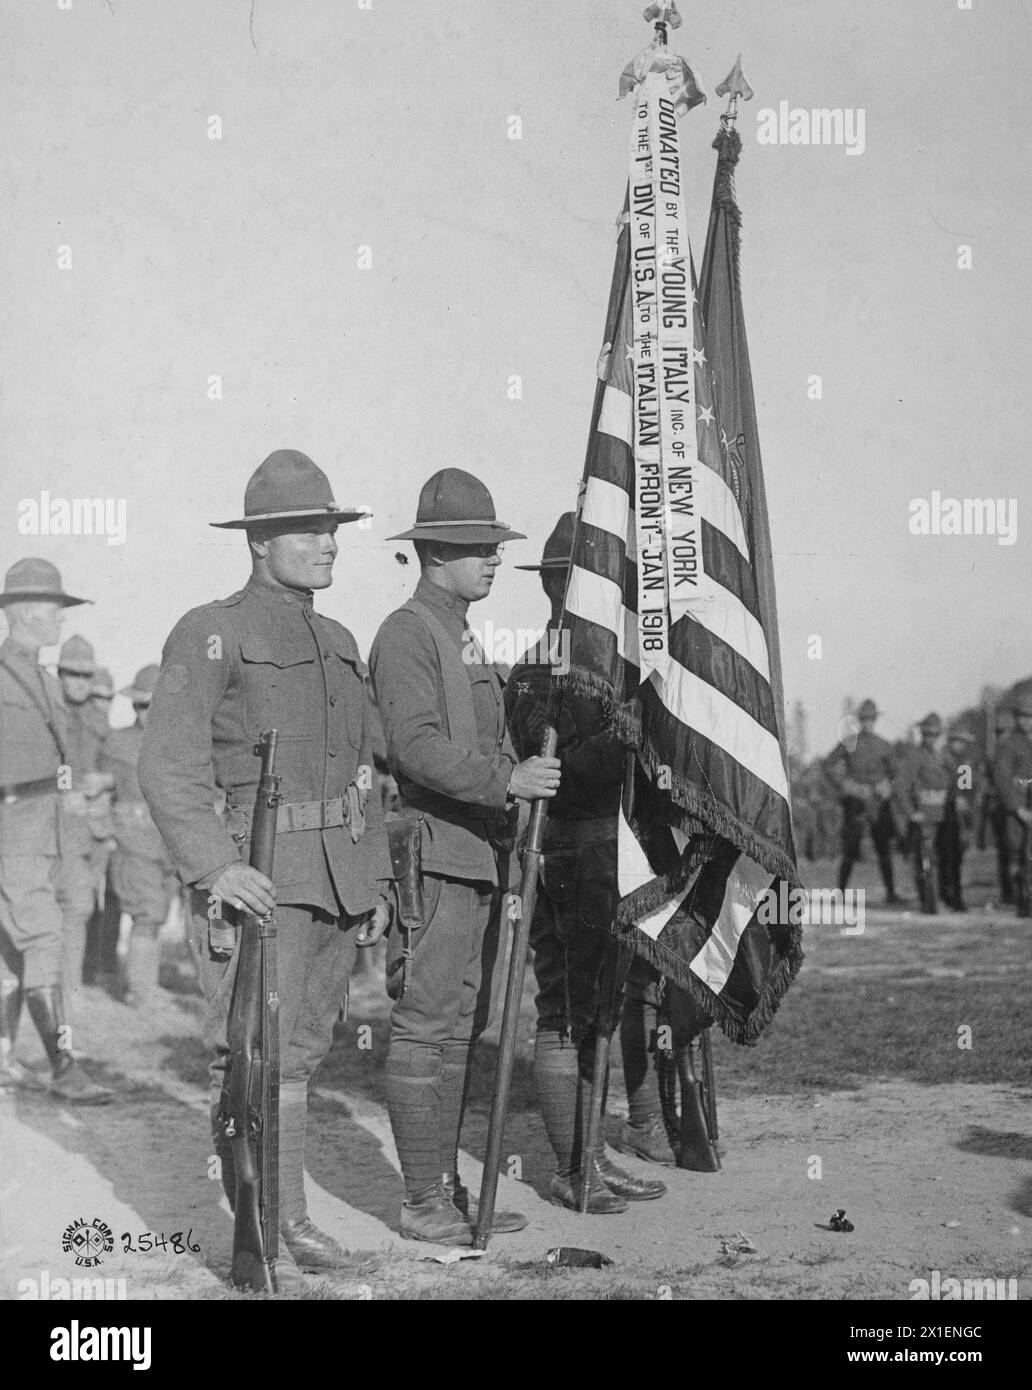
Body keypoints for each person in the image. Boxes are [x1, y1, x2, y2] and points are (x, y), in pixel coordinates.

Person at [138, 449, 391, 1285]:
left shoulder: (338, 639)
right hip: (259, 877)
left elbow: (365, 772)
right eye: (307, 529)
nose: (328, 543)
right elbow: (168, 766)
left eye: (332, 527)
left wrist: (376, 877)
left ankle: (286, 1223)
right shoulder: (211, 629)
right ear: (258, 541)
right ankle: (263, 1233)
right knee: (252, 1052)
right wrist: (215, 869)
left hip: (333, 877)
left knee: (304, 1052)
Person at [369, 467, 559, 1244]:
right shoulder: (409, 633)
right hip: (436, 855)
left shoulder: (461, 632)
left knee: (460, 1027)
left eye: (494, 547)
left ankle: (442, 1191)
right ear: (436, 551)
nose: (493, 561)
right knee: (427, 1024)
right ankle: (421, 1202)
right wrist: (504, 779)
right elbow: (413, 748)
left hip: (476, 855)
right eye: (481, 548)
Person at [506, 512, 665, 1209]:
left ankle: (593, 1155)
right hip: (573, 852)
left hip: (618, 851)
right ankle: (573, 1168)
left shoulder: (613, 668)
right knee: (567, 1012)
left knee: (604, 1009)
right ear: (562, 587)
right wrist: (627, 736)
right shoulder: (539, 668)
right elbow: (554, 775)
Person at [0, 558, 112, 1102]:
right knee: (42, 939)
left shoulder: (43, 680)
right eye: (53, 610)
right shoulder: (4, 674)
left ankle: (3, 1060)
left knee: (9, 948)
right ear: (22, 612)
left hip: (46, 825)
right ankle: (63, 1068)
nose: (59, 621)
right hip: (14, 826)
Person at [100, 666, 178, 1007]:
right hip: (133, 841)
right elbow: (97, 792)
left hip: (169, 845)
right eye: (139, 706)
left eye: (152, 705)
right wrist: (106, 831)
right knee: (146, 915)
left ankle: (147, 985)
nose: (145, 713)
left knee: (158, 914)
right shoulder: (117, 743)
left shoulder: (183, 742)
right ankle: (141, 992)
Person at [54, 635, 113, 1023]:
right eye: (72, 673)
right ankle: (64, 994)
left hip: (92, 828)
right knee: (72, 909)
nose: (78, 681)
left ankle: (68, 988)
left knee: (84, 908)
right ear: (59, 673)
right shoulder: (49, 713)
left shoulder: (97, 719)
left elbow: (116, 765)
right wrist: (67, 790)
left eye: (85, 675)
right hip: (56, 825)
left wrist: (105, 782)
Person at [824, 699, 901, 904]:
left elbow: (897, 774)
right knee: (850, 846)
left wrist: (887, 786)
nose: (868, 722)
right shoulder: (849, 742)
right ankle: (839, 893)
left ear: (875, 720)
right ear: (860, 720)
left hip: (878, 802)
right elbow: (828, 765)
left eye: (871, 718)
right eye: (865, 718)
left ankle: (891, 892)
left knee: (883, 846)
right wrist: (846, 785)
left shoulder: (884, 745)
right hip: (856, 801)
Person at [896, 713, 950, 913]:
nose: (931, 738)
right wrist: (911, 813)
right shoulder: (915, 756)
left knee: (943, 859)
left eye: (935, 735)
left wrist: (965, 793)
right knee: (927, 862)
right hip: (924, 817)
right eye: (927, 734)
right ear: (922, 734)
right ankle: (930, 903)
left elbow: (961, 776)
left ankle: (940, 900)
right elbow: (900, 786)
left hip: (942, 816)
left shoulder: (943, 756)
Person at [991, 694, 1032, 917]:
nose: (1026, 721)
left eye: (1030, 717)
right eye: (1022, 717)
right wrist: (1017, 808)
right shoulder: (1007, 745)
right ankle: (1020, 899)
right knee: (1016, 854)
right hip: (1015, 809)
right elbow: (1002, 778)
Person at [939, 724, 977, 913]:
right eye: (957, 740)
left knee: (956, 858)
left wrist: (963, 801)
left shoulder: (964, 763)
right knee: (945, 856)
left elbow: (966, 789)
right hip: (942, 811)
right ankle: (945, 895)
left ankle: (954, 897)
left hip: (957, 814)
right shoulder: (941, 759)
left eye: (963, 742)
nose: (959, 745)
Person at [987, 706, 1017, 905]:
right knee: (1004, 850)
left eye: (1004, 732)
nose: (1001, 736)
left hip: (1017, 805)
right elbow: (975, 780)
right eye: (998, 732)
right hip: (1000, 807)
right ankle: (1008, 892)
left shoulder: (1017, 751)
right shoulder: (992, 755)